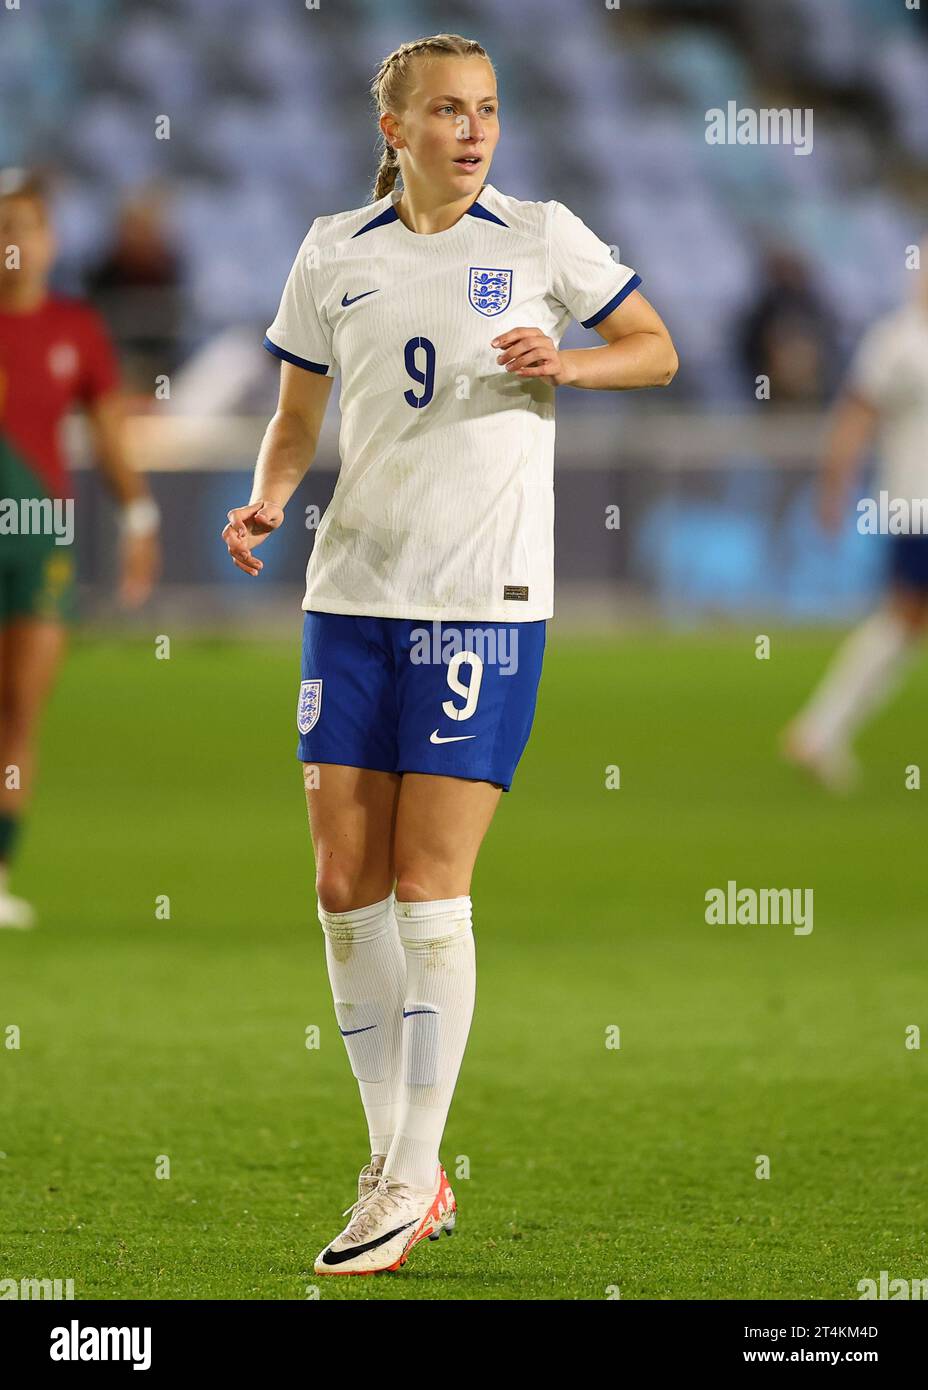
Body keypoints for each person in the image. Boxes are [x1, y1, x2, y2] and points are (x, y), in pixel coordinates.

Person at [222, 33, 678, 1276]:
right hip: (351, 596)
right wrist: (267, 495)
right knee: (342, 887)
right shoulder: (333, 250)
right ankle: (404, 1164)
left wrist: (568, 363)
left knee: (429, 885)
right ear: (395, 130)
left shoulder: (540, 236)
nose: (473, 131)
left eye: (486, 110)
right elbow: (296, 412)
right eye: (446, 111)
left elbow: (659, 349)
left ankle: (409, 1173)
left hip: (483, 601)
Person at [0, 170, 161, 927]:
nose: (16, 241)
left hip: (37, 541)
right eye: (5, 226)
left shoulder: (74, 329)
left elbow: (107, 437)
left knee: (19, 715)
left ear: (50, 241)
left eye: (28, 227)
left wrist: (139, 520)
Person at [783, 241, 928, 791]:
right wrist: (834, 485)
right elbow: (855, 415)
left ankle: (821, 730)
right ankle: (820, 729)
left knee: (906, 623)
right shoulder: (899, 341)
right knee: (904, 620)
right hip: (917, 506)